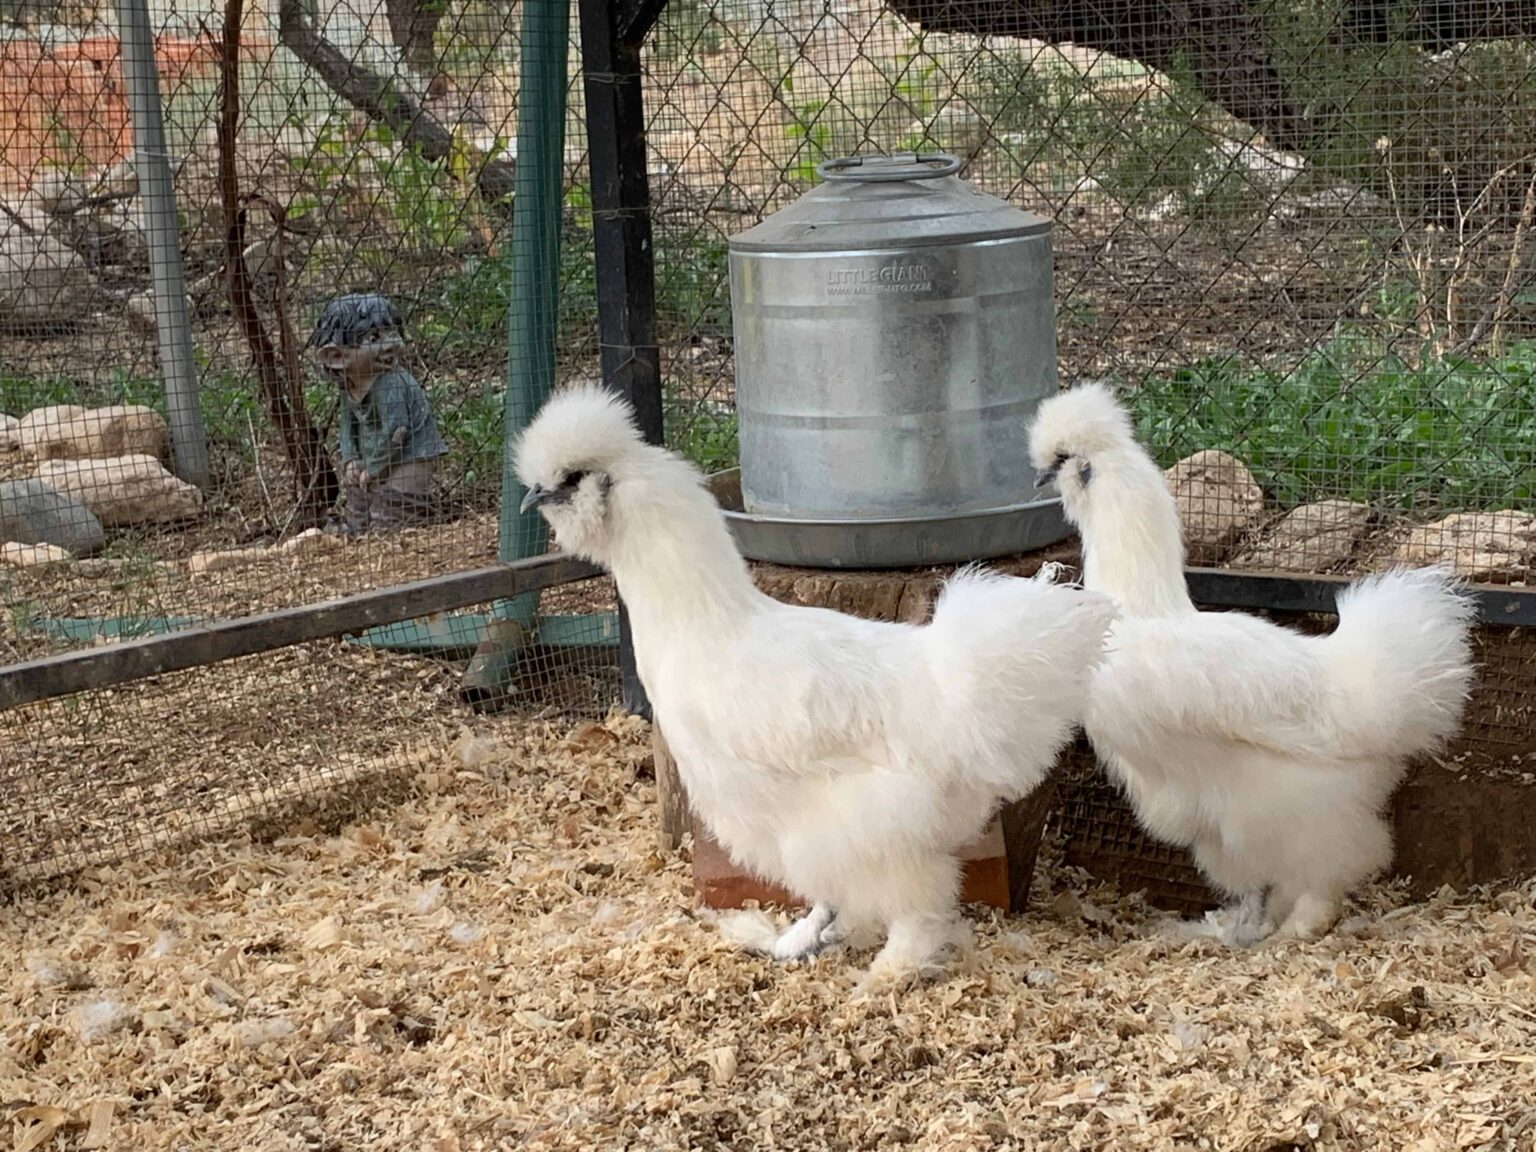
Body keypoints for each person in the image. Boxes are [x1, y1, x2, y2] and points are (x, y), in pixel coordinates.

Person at [310, 293, 446, 533]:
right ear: (337, 357)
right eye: (375, 338)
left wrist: (374, 469)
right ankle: (358, 530)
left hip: (411, 453)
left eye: (393, 334)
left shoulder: (389, 382)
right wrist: (351, 459)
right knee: (358, 498)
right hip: (377, 453)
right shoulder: (349, 385)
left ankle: (393, 533)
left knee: (392, 514)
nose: (391, 344)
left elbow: (396, 431)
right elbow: (346, 427)